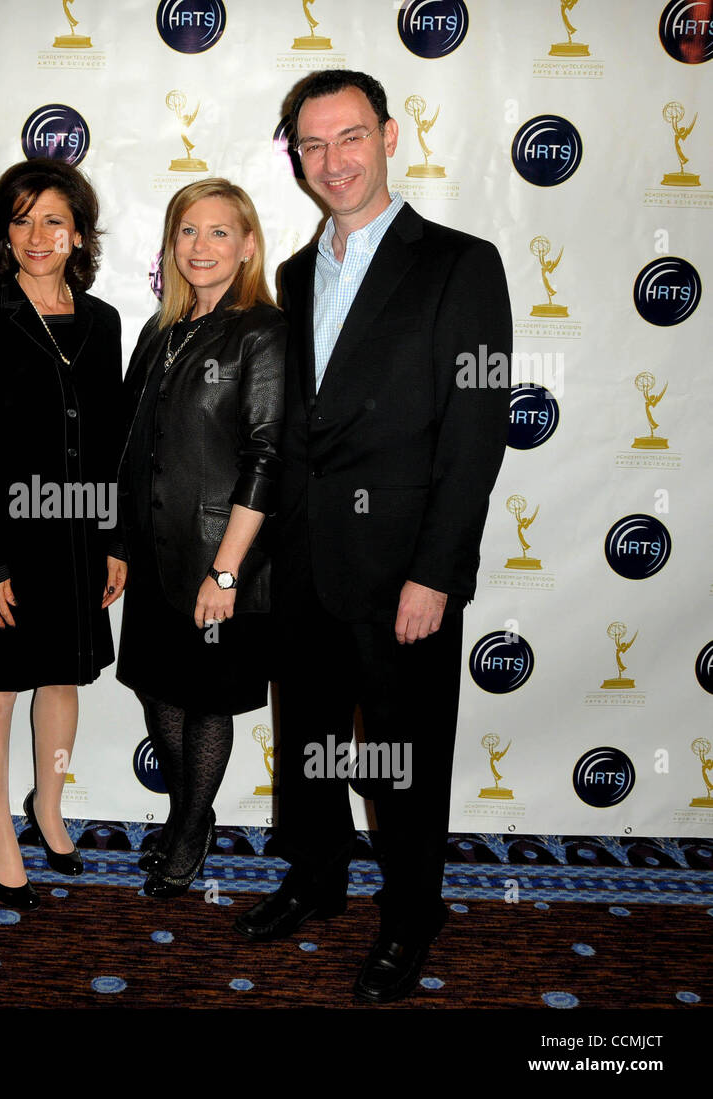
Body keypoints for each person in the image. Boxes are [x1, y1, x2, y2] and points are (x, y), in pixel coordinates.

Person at [233, 69, 512, 1004]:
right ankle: (316, 882)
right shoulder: (298, 270)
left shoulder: (461, 263)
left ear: (390, 137)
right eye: (311, 145)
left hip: (403, 571)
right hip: (304, 559)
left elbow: (476, 434)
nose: (331, 161)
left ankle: (410, 913)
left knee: (402, 756)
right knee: (311, 742)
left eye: (349, 137)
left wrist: (439, 572)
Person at [0, 159, 126, 910]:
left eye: (54, 219)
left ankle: (47, 804)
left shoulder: (105, 320)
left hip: (79, 539)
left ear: (78, 231)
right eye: (22, 220)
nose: (38, 235)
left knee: (62, 680)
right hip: (6, 541)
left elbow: (111, 435)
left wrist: (116, 539)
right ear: (3, 234)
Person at [116, 179, 284, 898]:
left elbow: (268, 456)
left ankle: (188, 829)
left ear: (247, 245)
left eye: (220, 232)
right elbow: (135, 446)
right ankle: (194, 811)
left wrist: (226, 572)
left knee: (207, 702)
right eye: (188, 230)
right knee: (162, 693)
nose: (201, 246)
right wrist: (120, 543)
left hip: (221, 560)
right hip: (155, 553)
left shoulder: (262, 331)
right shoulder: (162, 329)